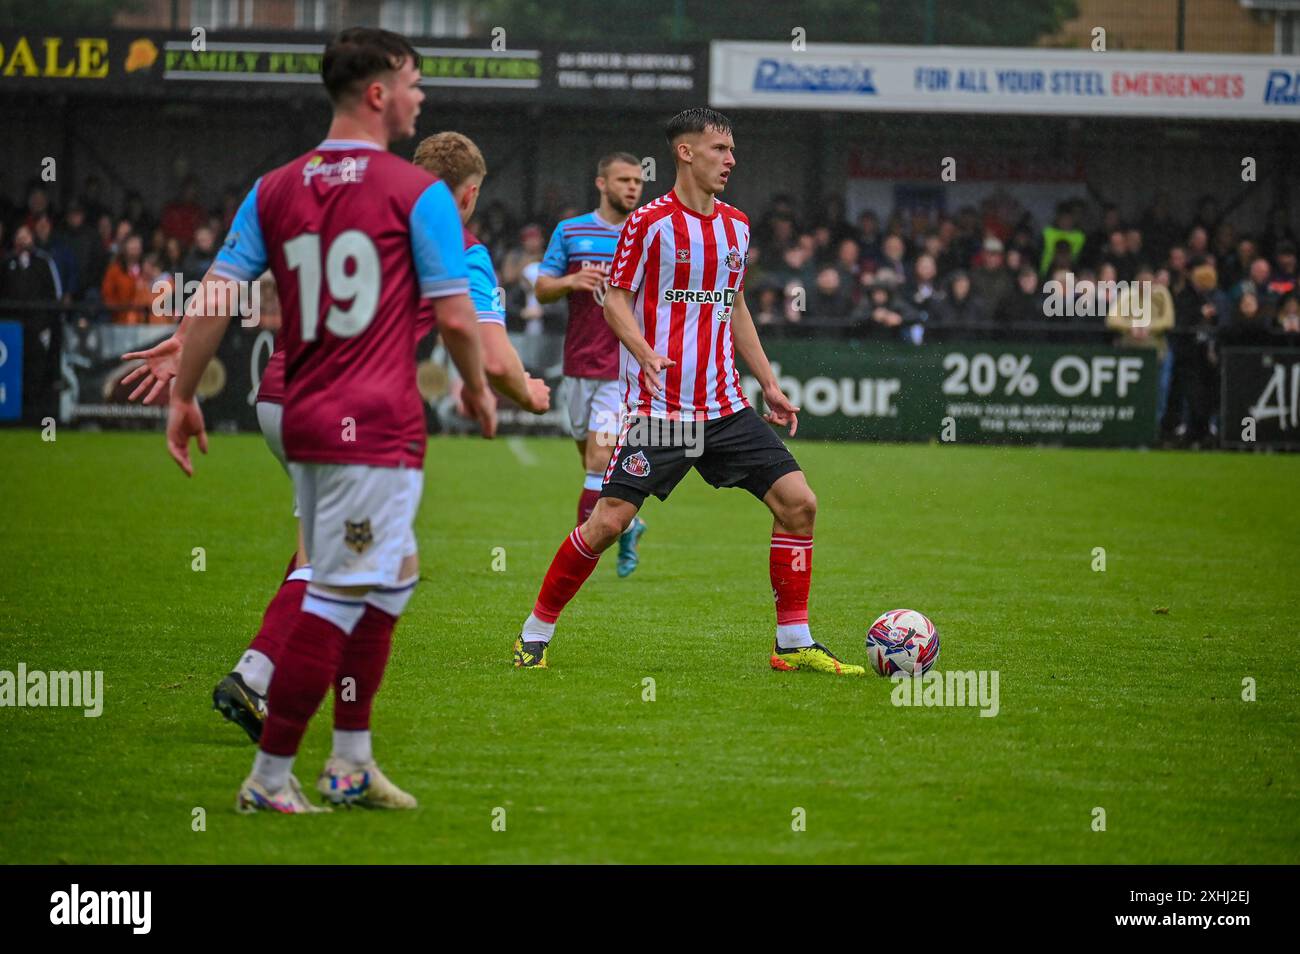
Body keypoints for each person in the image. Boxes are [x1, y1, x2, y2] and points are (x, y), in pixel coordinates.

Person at [161, 27, 497, 813]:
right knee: (337, 596)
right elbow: (455, 319)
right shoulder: (422, 196)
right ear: (379, 93)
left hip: (303, 413)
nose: (420, 98)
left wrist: (183, 394)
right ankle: (270, 780)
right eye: (413, 83)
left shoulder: (273, 186)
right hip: (373, 426)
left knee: (392, 575)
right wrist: (478, 389)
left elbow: (213, 298)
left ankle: (351, 765)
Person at [511, 107, 862, 675]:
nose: (731, 159)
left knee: (799, 504)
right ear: (685, 152)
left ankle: (794, 641)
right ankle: (534, 633)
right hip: (660, 411)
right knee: (607, 522)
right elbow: (617, 298)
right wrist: (645, 352)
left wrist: (768, 382)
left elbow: (736, 305)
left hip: (725, 407)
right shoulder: (648, 223)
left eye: (731, 149)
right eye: (720, 148)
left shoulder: (736, 226)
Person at [534, 152, 650, 577]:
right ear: (601, 184)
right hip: (578, 363)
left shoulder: (649, 232)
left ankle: (581, 548)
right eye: (624, 180)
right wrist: (570, 281)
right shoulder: (571, 231)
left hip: (621, 369)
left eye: (638, 181)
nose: (633, 188)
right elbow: (542, 287)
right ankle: (630, 525)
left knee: (599, 458)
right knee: (588, 455)